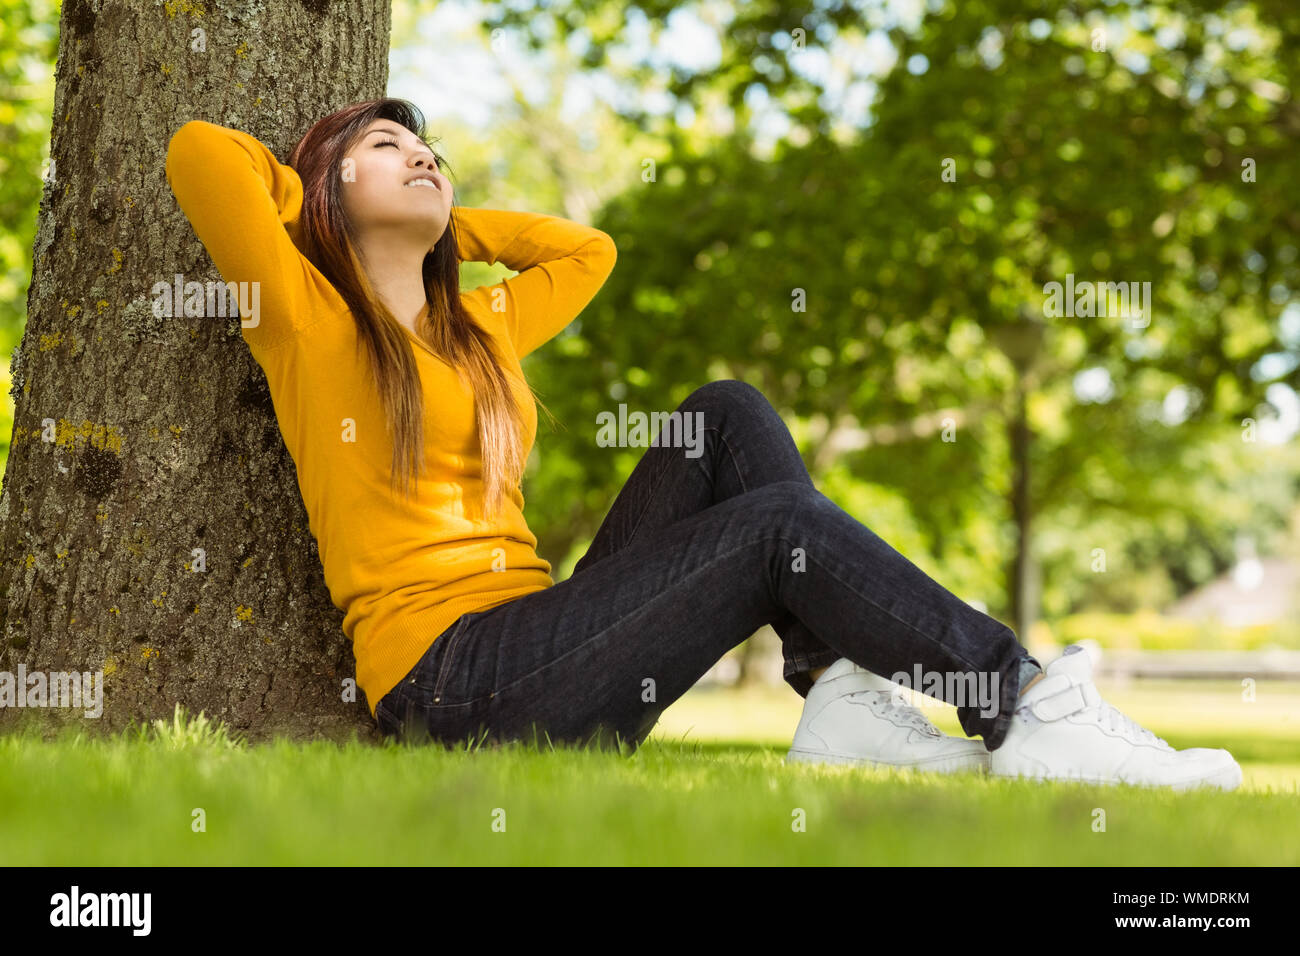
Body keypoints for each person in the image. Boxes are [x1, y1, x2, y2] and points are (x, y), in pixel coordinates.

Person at [165, 97, 1241, 791]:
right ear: (323, 192)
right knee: (775, 528)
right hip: (456, 684)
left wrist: (450, 220)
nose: (422, 157)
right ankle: (1016, 702)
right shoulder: (304, 317)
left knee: (721, 412)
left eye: (429, 148)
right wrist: (331, 203)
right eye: (387, 149)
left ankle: (837, 697)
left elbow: (587, 253)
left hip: (550, 644)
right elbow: (201, 152)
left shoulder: (478, 332)